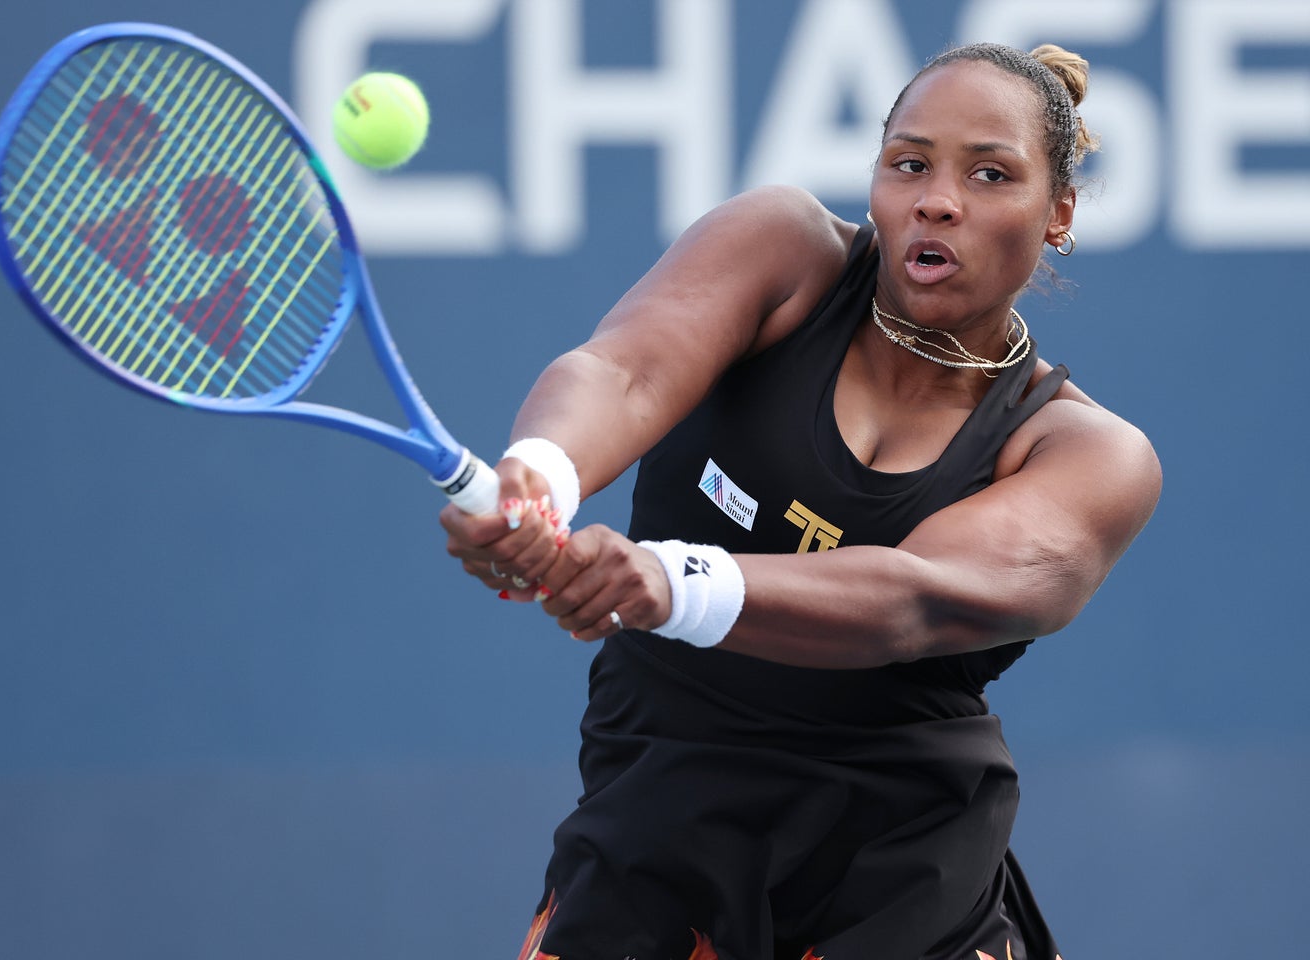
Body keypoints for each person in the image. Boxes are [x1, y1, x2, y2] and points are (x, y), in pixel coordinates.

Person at [441, 40, 1162, 960]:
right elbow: (622, 371)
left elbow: (912, 596)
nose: (937, 199)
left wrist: (669, 580)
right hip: (652, 840)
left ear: (1058, 212)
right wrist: (540, 476)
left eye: (989, 174)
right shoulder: (780, 250)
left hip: (901, 891)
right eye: (910, 164)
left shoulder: (1089, 455)